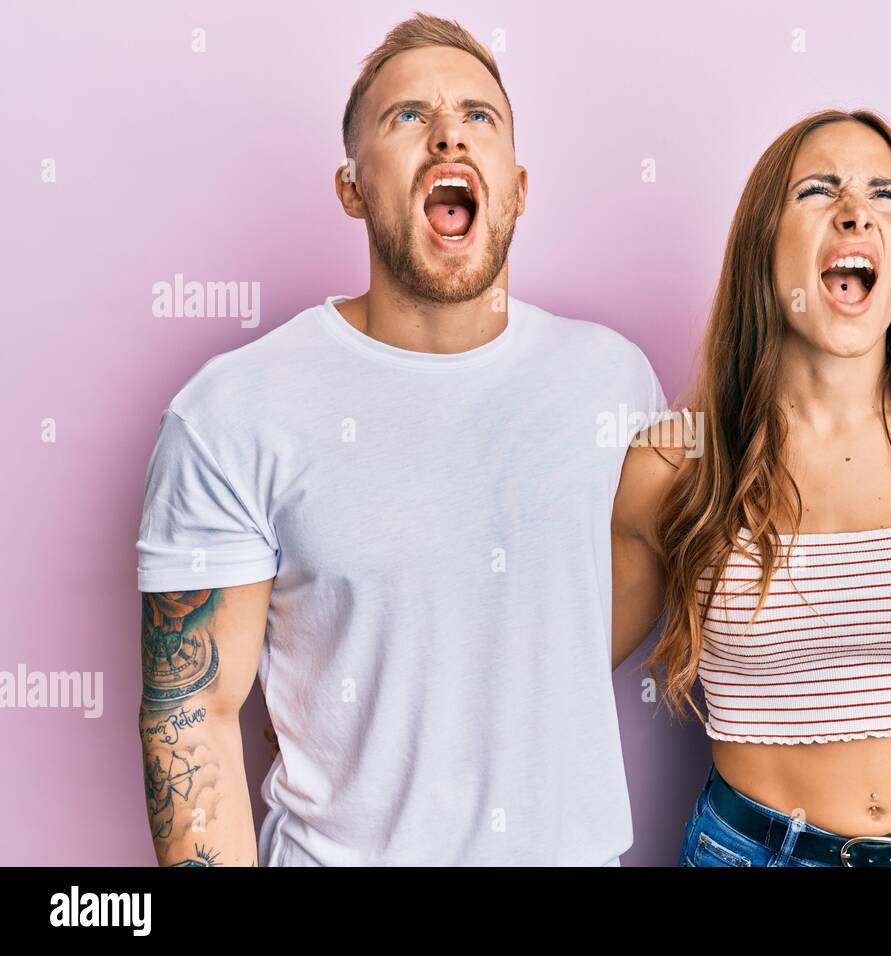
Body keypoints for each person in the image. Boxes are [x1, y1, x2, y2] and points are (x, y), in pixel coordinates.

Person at [135, 14, 666, 866]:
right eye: (408, 117)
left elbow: (601, 600)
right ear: (350, 186)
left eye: (478, 116)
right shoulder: (233, 409)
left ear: (518, 187)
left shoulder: (613, 384)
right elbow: (189, 711)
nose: (449, 130)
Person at [610, 109, 891, 866]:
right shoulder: (677, 467)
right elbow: (549, 660)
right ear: (765, 246)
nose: (855, 209)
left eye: (884, 195)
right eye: (819, 190)